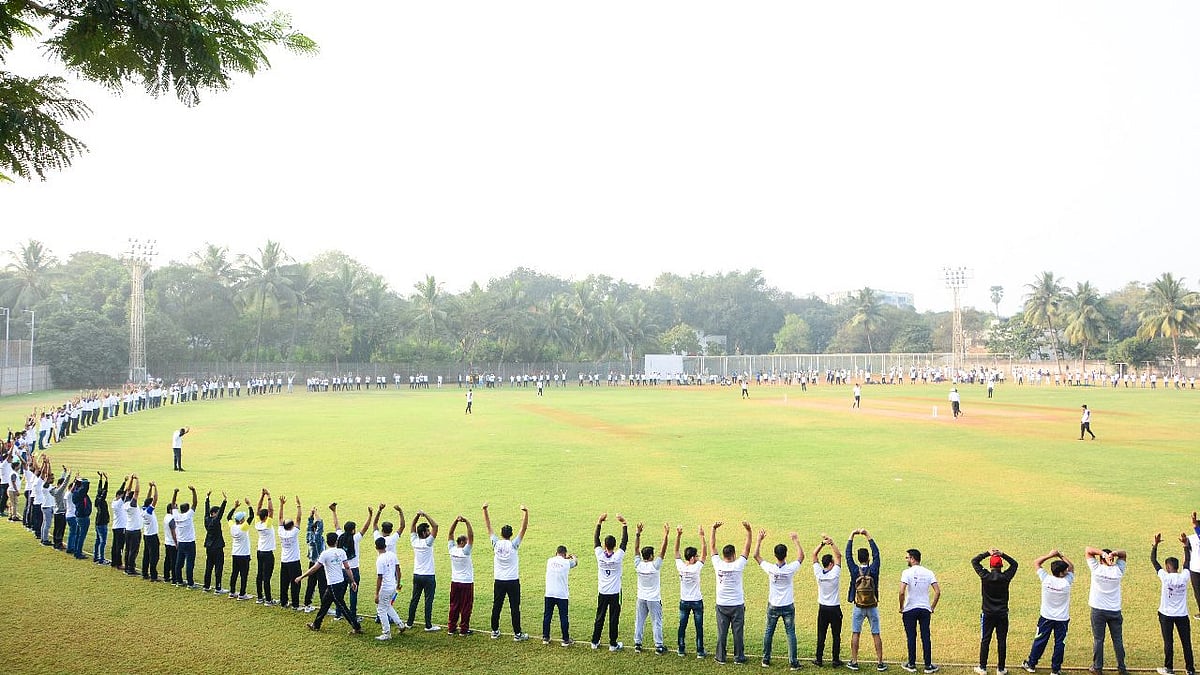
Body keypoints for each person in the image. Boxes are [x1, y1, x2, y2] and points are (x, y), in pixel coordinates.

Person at [753, 528, 803, 670]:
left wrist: (759, 540)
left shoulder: (771, 568)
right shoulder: (790, 569)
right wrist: (795, 540)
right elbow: (801, 556)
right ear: (786, 554)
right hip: (788, 605)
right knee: (790, 633)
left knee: (769, 631)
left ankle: (766, 660)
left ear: (775, 555)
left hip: (773, 605)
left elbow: (756, 556)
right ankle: (793, 662)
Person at [295, 531, 363, 635]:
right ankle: (316, 624)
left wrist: (301, 577)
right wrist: (352, 581)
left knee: (342, 607)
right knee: (325, 604)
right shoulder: (341, 552)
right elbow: (347, 568)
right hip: (339, 582)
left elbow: (314, 568)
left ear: (327, 542)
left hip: (333, 584)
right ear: (336, 541)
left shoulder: (325, 554)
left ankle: (357, 627)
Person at [1020, 550, 1075, 675]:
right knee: (1060, 644)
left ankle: (1031, 664)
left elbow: (1037, 562)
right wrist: (1060, 555)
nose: (1067, 571)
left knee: (1040, 640)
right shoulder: (1067, 582)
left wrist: (1050, 555)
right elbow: (1072, 567)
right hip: (1062, 619)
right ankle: (1055, 670)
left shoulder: (1046, 579)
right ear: (1061, 573)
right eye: (1065, 571)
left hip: (1046, 617)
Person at [484, 502, 529, 641]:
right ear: (511, 534)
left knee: (497, 606)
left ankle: (494, 631)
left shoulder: (496, 543)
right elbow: (524, 528)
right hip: (512, 581)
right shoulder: (514, 545)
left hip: (499, 580)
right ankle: (517, 634)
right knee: (514, 607)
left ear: (501, 534)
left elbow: (488, 526)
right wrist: (525, 512)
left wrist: (485, 510)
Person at [711, 520, 753, 665]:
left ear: (723, 555)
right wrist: (749, 531)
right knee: (738, 633)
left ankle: (720, 657)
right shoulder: (738, 564)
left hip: (722, 604)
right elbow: (747, 548)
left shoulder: (718, 564)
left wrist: (713, 529)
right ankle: (739, 657)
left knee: (722, 633)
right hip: (737, 604)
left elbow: (712, 547)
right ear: (734, 554)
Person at [971, 548, 1019, 675]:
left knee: (985, 640)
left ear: (990, 565)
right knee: (1001, 641)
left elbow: (974, 561)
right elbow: (1014, 564)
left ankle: (982, 667)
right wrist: (1003, 554)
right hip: (1002, 614)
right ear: (1001, 566)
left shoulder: (985, 576)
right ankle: (1001, 668)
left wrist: (988, 553)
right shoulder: (1005, 577)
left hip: (987, 613)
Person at [1151, 532, 1193, 675]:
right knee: (1186, 642)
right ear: (1177, 567)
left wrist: (1155, 545)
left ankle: (1169, 668)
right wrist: (1185, 545)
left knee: (1169, 642)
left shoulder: (1165, 577)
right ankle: (1190, 669)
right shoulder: (1184, 576)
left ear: (1168, 567)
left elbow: (1154, 561)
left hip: (1166, 615)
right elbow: (1187, 562)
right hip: (1182, 615)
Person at [846, 529, 887, 672]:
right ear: (868, 558)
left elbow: (847, 555)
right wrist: (867, 535)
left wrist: (851, 536)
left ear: (858, 559)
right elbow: (877, 554)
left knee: (856, 633)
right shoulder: (874, 569)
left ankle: (854, 661)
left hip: (858, 606)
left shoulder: (854, 570)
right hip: (872, 606)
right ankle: (880, 662)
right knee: (876, 633)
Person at [1084, 545, 1127, 674]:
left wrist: (1103, 554)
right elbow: (1124, 554)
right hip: (1114, 610)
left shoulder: (1096, 568)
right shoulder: (1118, 570)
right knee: (1117, 640)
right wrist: (1114, 553)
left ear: (1100, 559)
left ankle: (1097, 668)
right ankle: (1122, 668)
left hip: (1098, 610)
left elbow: (1088, 550)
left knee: (1098, 640)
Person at [899, 548, 940, 674]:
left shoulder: (906, 572)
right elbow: (937, 592)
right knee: (925, 636)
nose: (906, 559)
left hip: (910, 609)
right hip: (924, 609)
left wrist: (901, 607)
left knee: (911, 636)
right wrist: (932, 607)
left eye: (907, 557)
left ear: (912, 559)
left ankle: (911, 664)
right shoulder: (928, 572)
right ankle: (928, 665)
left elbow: (901, 592)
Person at [591, 512, 628, 651]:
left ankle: (594, 642)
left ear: (604, 545)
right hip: (614, 593)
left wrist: (599, 522)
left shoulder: (600, 555)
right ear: (614, 545)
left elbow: (596, 540)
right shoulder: (617, 557)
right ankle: (613, 644)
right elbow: (624, 543)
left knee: (599, 616)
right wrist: (624, 524)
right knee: (614, 618)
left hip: (602, 591)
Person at [633, 522, 670, 654]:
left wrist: (638, 534)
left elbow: (636, 548)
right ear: (650, 556)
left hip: (641, 598)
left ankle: (637, 644)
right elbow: (663, 550)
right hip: (654, 599)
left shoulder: (638, 565)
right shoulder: (655, 566)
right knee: (656, 622)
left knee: (639, 621)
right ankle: (659, 646)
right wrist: (666, 535)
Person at [676, 524, 709, 658]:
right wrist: (702, 536)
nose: (698, 557)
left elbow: (676, 551)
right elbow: (705, 553)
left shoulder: (680, 566)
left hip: (684, 601)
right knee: (699, 627)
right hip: (696, 601)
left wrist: (678, 535)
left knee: (682, 626)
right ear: (691, 558)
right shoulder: (696, 568)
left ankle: (681, 649)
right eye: (696, 556)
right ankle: (700, 651)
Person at [813, 533, 844, 667]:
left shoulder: (818, 573)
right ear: (831, 564)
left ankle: (819, 659)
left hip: (823, 608)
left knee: (821, 634)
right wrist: (831, 543)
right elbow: (839, 556)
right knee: (836, 635)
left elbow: (814, 555)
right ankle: (835, 660)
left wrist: (822, 544)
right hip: (834, 608)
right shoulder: (835, 573)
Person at [331, 503, 366, 621]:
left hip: (342, 569)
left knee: (340, 593)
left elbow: (336, 525)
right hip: (353, 570)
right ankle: (353, 615)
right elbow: (365, 529)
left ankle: (338, 614)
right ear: (353, 530)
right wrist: (370, 515)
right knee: (353, 593)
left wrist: (334, 511)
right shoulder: (355, 538)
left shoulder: (340, 536)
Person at [407, 510, 440, 631]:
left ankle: (409, 623)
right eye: (427, 530)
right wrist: (425, 514)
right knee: (428, 601)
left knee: (414, 599)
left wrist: (417, 515)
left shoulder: (414, 541)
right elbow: (436, 526)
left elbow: (412, 526)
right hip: (428, 576)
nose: (429, 532)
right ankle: (428, 625)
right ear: (424, 533)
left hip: (417, 575)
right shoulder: (428, 542)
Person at [543, 544, 577, 646]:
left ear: (556, 553)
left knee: (547, 615)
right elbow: (575, 562)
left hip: (549, 593)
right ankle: (565, 640)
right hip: (562, 594)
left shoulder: (549, 561)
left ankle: (545, 637)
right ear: (565, 554)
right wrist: (573, 556)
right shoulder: (567, 563)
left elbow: (559, 561)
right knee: (563, 617)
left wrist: (565, 558)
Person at [447, 515, 475, 635]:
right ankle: (464, 629)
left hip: (455, 581)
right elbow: (471, 536)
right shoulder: (465, 551)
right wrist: (467, 522)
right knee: (466, 606)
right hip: (466, 582)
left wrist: (455, 521)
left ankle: (451, 628)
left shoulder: (452, 550)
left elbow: (450, 534)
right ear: (463, 542)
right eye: (466, 541)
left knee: (454, 605)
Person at [374, 535, 404, 640]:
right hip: (393, 585)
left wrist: (376, 594)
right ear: (385, 546)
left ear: (376, 547)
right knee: (387, 606)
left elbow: (380, 577)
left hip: (385, 588)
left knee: (381, 609)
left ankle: (386, 633)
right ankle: (400, 624)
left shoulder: (379, 560)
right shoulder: (392, 555)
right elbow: (398, 569)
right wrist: (398, 583)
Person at [170, 486, 199, 588]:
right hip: (190, 543)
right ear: (187, 509)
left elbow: (173, 504)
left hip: (181, 543)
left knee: (179, 563)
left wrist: (175, 493)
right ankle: (190, 583)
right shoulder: (188, 516)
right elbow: (195, 503)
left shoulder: (176, 516)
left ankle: (179, 581)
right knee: (189, 564)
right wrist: (193, 491)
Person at [278, 495, 303, 610]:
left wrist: (281, 504)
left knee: (284, 583)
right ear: (292, 526)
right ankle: (295, 604)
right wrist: (298, 505)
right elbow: (299, 519)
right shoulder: (293, 533)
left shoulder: (281, 531)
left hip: (284, 561)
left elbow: (280, 518)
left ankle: (283, 602)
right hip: (294, 561)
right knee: (295, 583)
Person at [254, 488, 277, 605]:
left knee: (259, 575)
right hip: (267, 553)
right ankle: (268, 600)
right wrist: (268, 496)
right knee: (267, 577)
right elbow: (271, 510)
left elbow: (258, 508)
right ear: (266, 516)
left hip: (260, 551)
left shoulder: (257, 524)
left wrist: (262, 495)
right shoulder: (267, 524)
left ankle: (259, 597)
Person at [202, 490, 227, 594]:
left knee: (209, 566)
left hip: (209, 546)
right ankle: (218, 588)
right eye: (217, 512)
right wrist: (224, 501)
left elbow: (206, 511)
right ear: (214, 513)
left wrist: (207, 498)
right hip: (217, 547)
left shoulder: (206, 519)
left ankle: (206, 586)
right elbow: (221, 513)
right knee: (218, 567)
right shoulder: (215, 521)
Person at [302, 506, 326, 612]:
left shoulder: (309, 536)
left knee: (311, 585)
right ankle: (324, 606)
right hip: (319, 564)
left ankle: (307, 604)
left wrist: (311, 516)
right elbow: (320, 524)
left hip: (312, 563)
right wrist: (316, 513)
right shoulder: (317, 538)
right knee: (322, 585)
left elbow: (309, 526)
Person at [228, 505, 252, 600]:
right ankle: (242, 594)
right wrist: (249, 505)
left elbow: (228, 517)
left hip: (235, 553)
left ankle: (232, 592)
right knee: (243, 575)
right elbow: (251, 516)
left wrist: (234, 507)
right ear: (241, 520)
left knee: (234, 573)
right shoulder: (243, 527)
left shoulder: (232, 526)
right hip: (244, 555)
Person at [140, 482, 161, 581]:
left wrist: (150, 488)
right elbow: (155, 499)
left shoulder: (143, 509)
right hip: (152, 536)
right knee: (154, 556)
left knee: (146, 555)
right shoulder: (149, 512)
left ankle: (144, 573)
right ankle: (153, 576)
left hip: (146, 535)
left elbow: (147, 498)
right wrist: (155, 487)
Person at [1189, 512, 1200, 620]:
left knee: (1198, 592)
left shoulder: (1191, 538)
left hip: (1195, 568)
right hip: (1195, 568)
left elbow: (1187, 551)